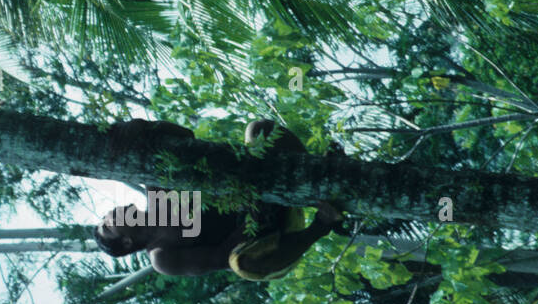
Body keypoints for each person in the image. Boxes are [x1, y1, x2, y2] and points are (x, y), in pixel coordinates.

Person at [93, 118, 347, 280]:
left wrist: (142, 127)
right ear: (127, 241)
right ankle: (323, 224)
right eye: (107, 225)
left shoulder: (156, 190)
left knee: (259, 130)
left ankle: (320, 169)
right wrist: (254, 214)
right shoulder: (162, 256)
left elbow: (183, 137)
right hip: (270, 238)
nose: (108, 215)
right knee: (241, 264)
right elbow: (222, 257)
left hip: (263, 191)